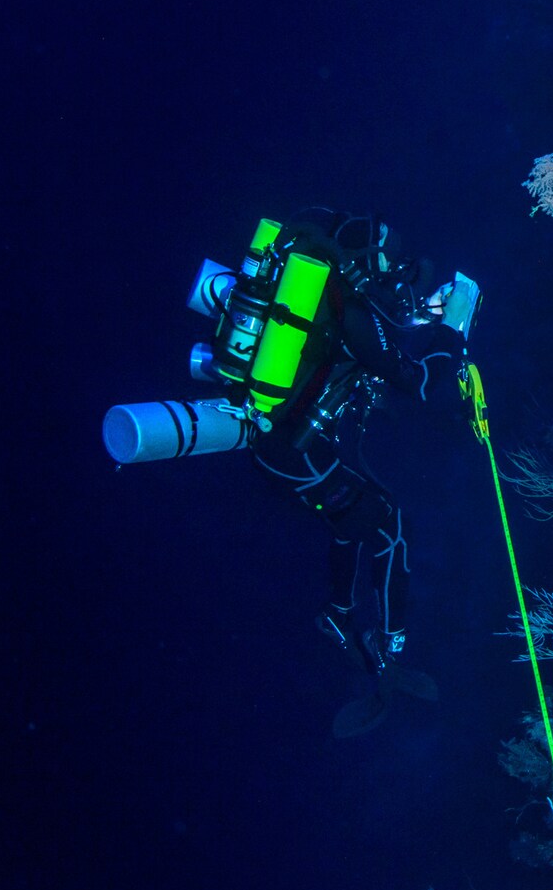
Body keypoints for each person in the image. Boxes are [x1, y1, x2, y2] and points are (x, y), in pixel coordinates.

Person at [103, 207, 478, 736]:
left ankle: (339, 615)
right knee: (390, 526)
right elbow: (417, 381)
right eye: (385, 263)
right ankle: (389, 646)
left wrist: (425, 317)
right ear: (361, 262)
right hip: (295, 454)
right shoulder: (350, 309)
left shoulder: (320, 295)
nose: (391, 276)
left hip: (281, 444)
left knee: (352, 518)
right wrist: (454, 329)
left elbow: (379, 333)